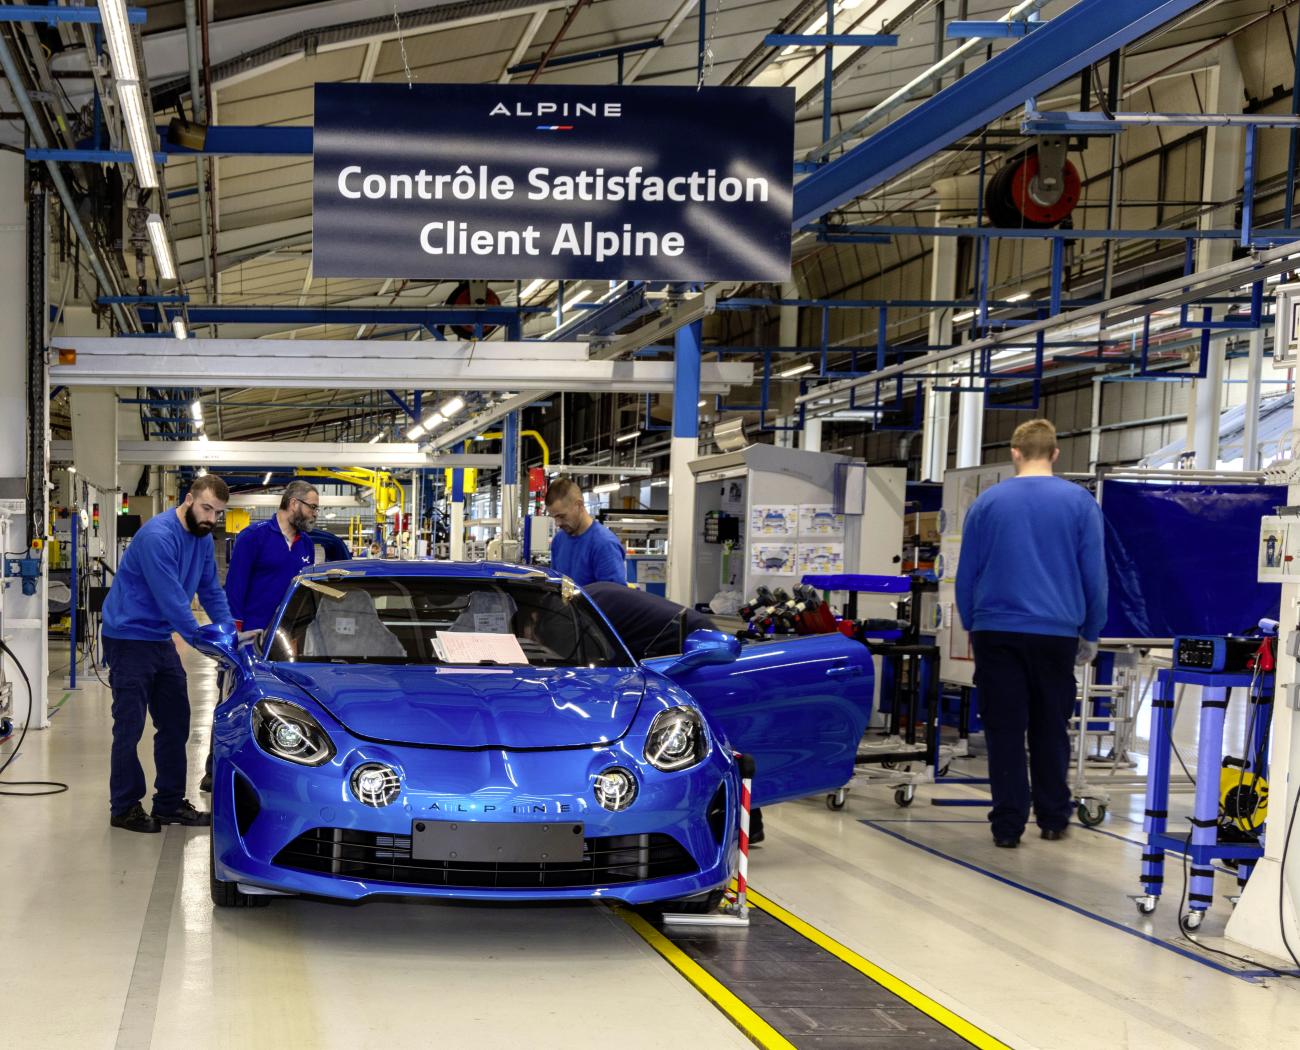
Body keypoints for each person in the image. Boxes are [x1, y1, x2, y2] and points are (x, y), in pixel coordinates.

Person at [955, 419, 1106, 849]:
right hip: (1057, 633)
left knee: (1003, 730)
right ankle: (1054, 816)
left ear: (1014, 453)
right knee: (1050, 726)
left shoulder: (987, 504)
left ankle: (1007, 826)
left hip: (996, 630)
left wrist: (973, 623)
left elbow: (966, 576)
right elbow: (1094, 575)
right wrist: (1091, 630)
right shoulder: (1080, 503)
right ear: (1056, 454)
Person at [101, 475, 235, 833]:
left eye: (218, 513)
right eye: (206, 508)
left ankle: (170, 803)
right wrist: (208, 644)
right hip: (129, 637)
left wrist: (230, 635)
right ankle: (124, 807)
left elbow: (210, 589)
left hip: (158, 638)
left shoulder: (203, 539)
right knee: (129, 726)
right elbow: (173, 600)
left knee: (176, 722)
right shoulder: (158, 537)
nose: (211, 518)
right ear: (189, 499)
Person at [584, 581, 765, 844]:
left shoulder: (588, 608)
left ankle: (746, 821)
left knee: (697, 738)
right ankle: (749, 821)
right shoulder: (595, 593)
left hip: (690, 645)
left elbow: (598, 668)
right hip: (673, 642)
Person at [225, 480, 319, 635]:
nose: (315, 513)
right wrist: (236, 629)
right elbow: (235, 586)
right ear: (294, 503)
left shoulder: (307, 543)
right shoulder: (252, 537)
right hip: (254, 631)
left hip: (291, 634)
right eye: (313, 507)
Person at [545, 477, 628, 586]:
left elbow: (613, 598)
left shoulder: (604, 545)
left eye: (562, 516)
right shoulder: (559, 540)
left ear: (579, 505)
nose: (557, 523)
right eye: (554, 517)